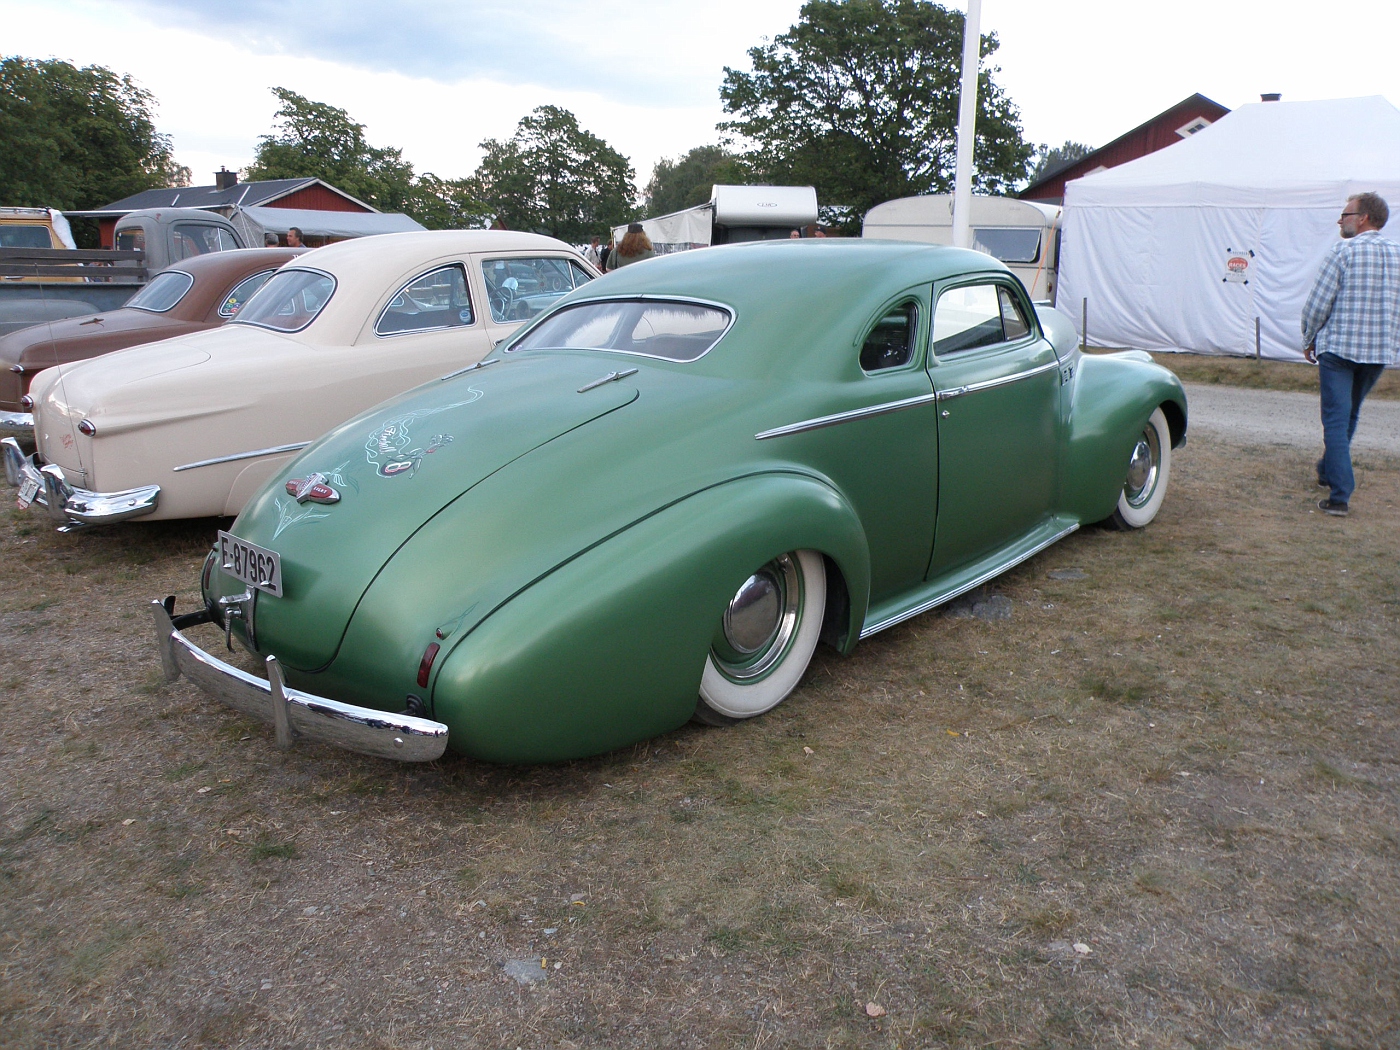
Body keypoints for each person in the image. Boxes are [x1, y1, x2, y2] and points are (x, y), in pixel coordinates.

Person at [1301, 191, 1400, 517]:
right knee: (1350, 414)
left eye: (1345, 214)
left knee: (1335, 418)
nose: (1340, 220)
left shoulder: (1343, 251)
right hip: (1377, 351)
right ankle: (1328, 470)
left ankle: (1340, 495)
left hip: (1340, 349)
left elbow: (1319, 303)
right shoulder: (1397, 254)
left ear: (1364, 218)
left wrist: (1308, 336)